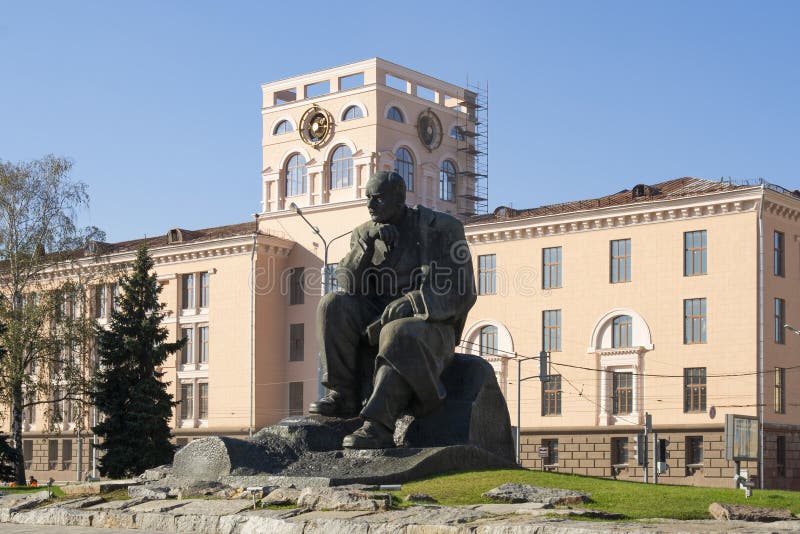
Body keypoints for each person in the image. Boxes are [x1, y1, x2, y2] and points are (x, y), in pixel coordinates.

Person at [309, 171, 476, 448]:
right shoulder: (364, 232)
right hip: (375, 317)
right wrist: (366, 246)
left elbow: (463, 290)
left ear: (400, 198)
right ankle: (343, 394)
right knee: (331, 305)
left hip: (429, 326)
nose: (370, 205)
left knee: (397, 331)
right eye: (367, 198)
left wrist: (412, 303)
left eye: (378, 198)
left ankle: (379, 424)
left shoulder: (443, 228)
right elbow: (346, 284)